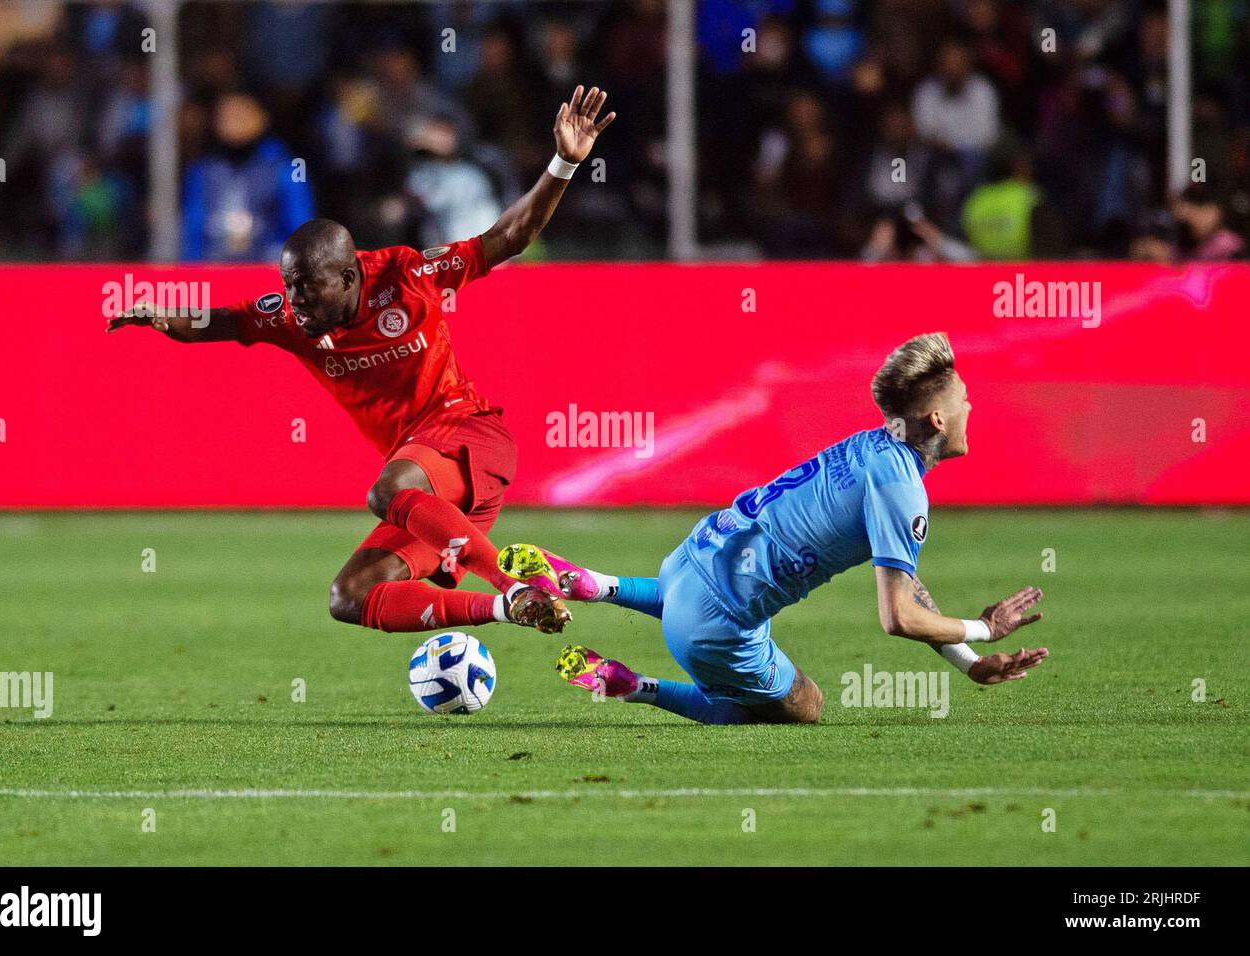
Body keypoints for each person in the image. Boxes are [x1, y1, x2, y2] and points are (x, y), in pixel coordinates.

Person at [108, 86, 617, 637]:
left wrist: (565, 161)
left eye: (308, 289)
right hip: (436, 503)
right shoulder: (290, 319)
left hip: (471, 438)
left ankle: (511, 584)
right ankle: (507, 607)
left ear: (349, 278)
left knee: (385, 490)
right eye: (289, 287)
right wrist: (160, 315)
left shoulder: (407, 277)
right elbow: (225, 321)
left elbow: (509, 235)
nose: (296, 302)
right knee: (349, 597)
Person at [500, 332, 1048, 724]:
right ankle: (632, 686)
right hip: (712, 629)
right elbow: (899, 617)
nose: (971, 406)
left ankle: (599, 585)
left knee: (700, 597)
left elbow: (910, 590)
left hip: (691, 556)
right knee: (802, 705)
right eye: (964, 401)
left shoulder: (868, 448)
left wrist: (970, 667)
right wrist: (982, 631)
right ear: (937, 420)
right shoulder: (903, 490)